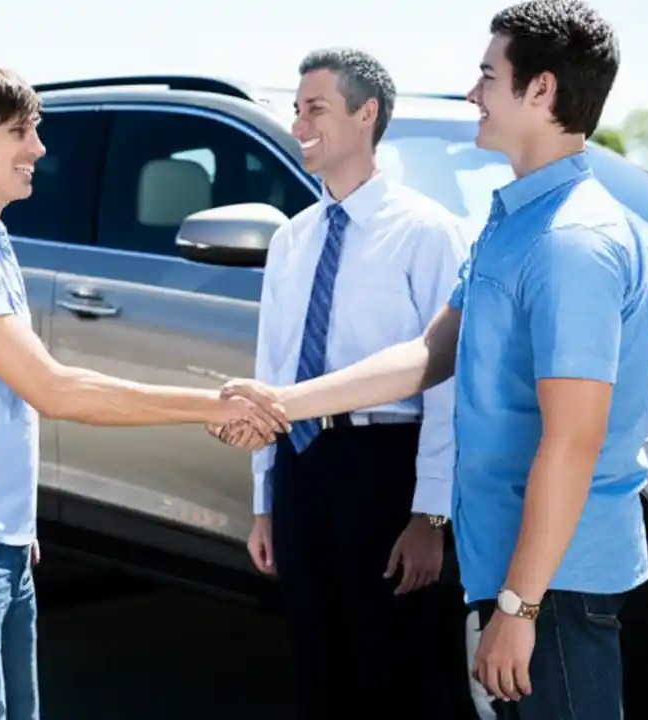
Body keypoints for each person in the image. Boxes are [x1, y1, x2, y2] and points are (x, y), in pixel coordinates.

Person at [222, 2, 647, 718]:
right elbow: (429, 353)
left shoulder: (572, 240)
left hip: (555, 581)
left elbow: (573, 443)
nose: (473, 93)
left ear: (539, 92)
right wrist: (279, 406)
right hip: (513, 566)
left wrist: (519, 606)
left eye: (488, 76)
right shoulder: (510, 226)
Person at [0, 61, 288, 720]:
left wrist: (16, 521)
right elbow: (56, 390)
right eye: (20, 132)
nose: (39, 149)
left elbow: (3, 401)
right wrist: (211, 403)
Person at [229, 47, 472, 719]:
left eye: (316, 109)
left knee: (399, 673)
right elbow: (273, 371)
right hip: (301, 466)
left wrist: (430, 515)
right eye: (297, 108)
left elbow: (448, 383)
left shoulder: (429, 233)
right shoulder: (293, 239)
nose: (300, 123)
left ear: (366, 114)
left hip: (385, 469)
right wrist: (265, 500)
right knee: (318, 665)